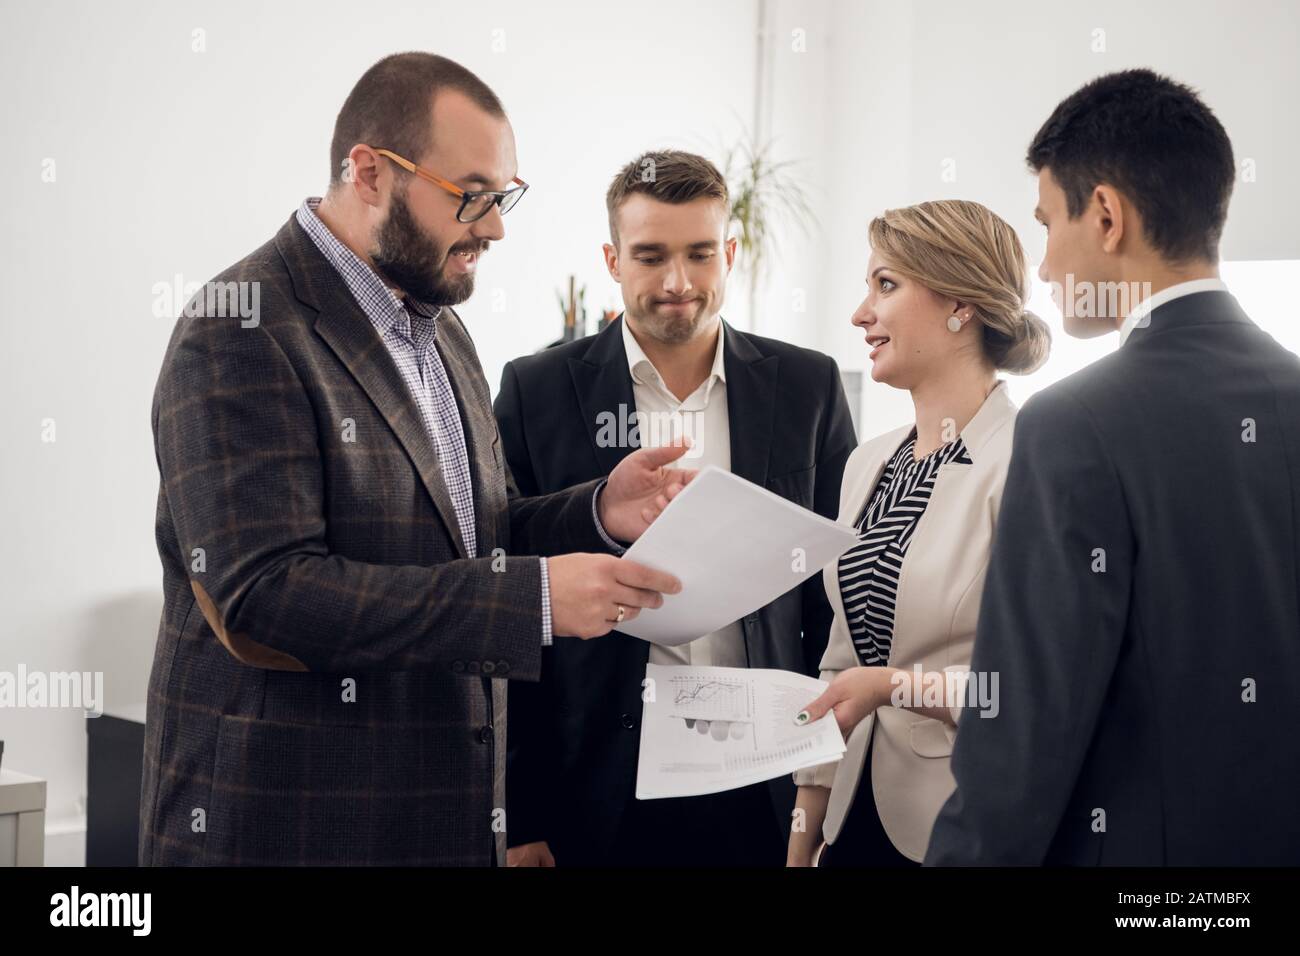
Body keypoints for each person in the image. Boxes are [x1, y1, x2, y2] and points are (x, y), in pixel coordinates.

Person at [140, 52, 692, 867]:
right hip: (292, 830)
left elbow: (476, 533)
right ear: (368, 172)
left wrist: (596, 510)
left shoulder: (440, 327)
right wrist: (531, 601)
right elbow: (264, 595)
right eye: (471, 194)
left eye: (503, 197)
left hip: (443, 819)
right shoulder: (240, 326)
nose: (496, 226)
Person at [926, 69, 1300, 865]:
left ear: (1105, 216)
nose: (1044, 268)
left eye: (1046, 223)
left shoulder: (1074, 424)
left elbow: (1021, 736)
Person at [496, 149, 857, 866]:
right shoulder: (536, 389)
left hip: (763, 773)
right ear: (612, 258)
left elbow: (834, 595)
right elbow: (508, 589)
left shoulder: (807, 385)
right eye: (651, 255)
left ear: (729, 252)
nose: (677, 282)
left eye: (699, 254)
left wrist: (820, 790)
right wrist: (523, 812)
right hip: (596, 781)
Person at [789, 200, 1050, 866]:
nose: (859, 313)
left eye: (885, 284)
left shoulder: (1029, 463)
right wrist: (802, 839)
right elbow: (840, 665)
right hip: (851, 826)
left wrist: (891, 686)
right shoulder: (867, 464)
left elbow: (1029, 686)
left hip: (962, 826)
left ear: (959, 304)